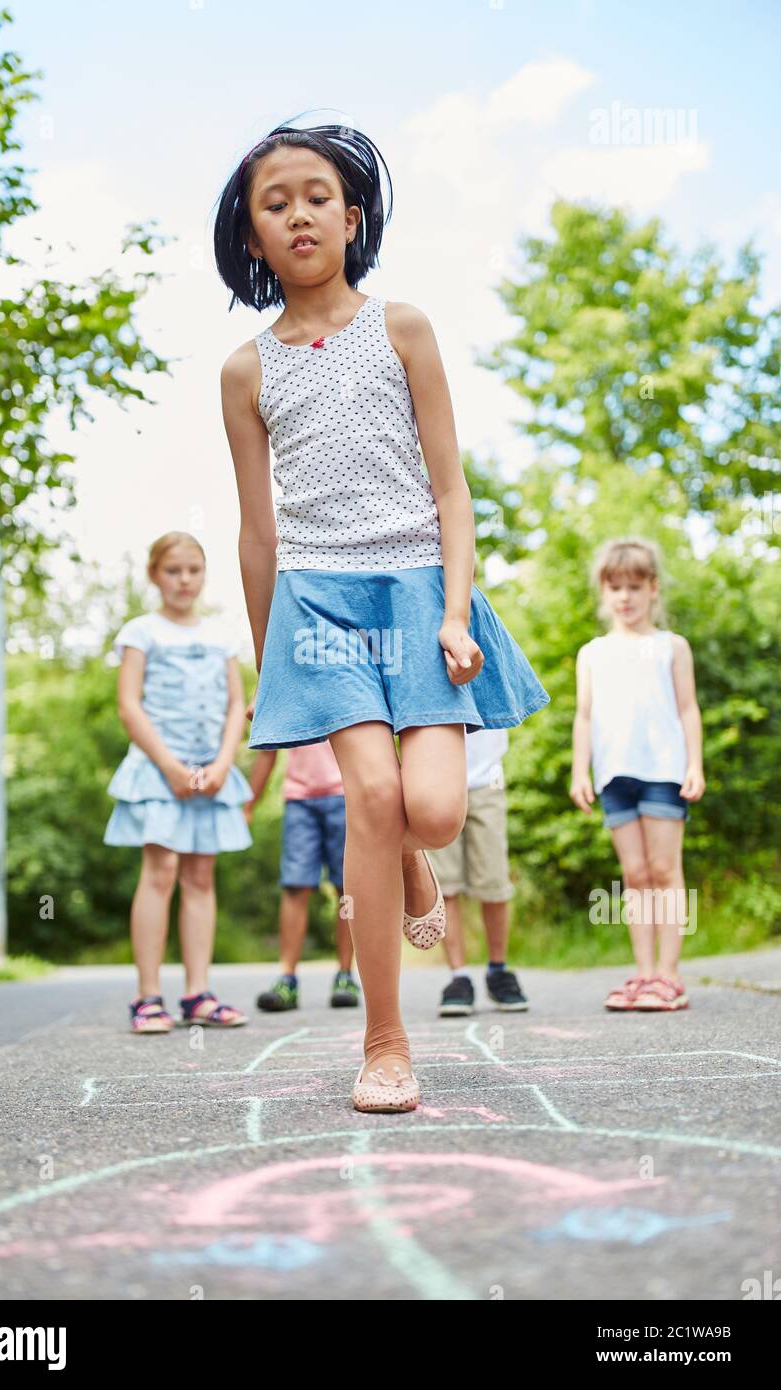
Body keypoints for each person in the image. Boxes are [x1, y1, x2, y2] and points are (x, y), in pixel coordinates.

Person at [215, 121, 549, 1112]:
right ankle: (385, 1042)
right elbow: (256, 535)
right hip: (317, 602)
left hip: (415, 591)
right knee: (368, 794)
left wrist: (454, 612)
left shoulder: (402, 328)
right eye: (274, 204)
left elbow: (451, 491)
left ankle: (411, 857)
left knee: (431, 809)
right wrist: (276, 652)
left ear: (351, 217)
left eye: (315, 194)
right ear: (251, 239)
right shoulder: (244, 372)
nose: (298, 213)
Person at [104, 531, 253, 1033]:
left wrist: (222, 762)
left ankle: (197, 994)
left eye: (193, 569)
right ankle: (147, 997)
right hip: (158, 770)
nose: (184, 579)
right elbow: (129, 705)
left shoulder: (220, 635)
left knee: (200, 876)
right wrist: (168, 765)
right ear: (154, 575)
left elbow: (237, 704)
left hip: (210, 770)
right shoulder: (141, 632)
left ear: (204, 574)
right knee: (161, 870)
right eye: (173, 570)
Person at [570, 537, 706, 1012]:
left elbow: (688, 709)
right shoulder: (592, 653)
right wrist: (579, 770)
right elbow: (584, 716)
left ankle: (670, 976)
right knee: (635, 874)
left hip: (664, 771)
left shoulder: (672, 647)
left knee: (666, 871)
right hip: (614, 774)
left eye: (634, 586)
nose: (624, 596)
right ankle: (644, 973)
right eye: (615, 587)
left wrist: (695, 764)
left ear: (653, 589)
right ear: (604, 593)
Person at [243, 717, 360, 1011]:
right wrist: (248, 805)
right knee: (295, 887)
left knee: (347, 888)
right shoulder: (290, 679)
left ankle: (345, 975)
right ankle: (287, 978)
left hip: (345, 795)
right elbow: (268, 749)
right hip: (300, 799)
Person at [429, 728, 529, 1016]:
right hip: (436, 779)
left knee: (494, 882)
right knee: (445, 885)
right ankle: (458, 976)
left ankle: (498, 971)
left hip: (487, 779)